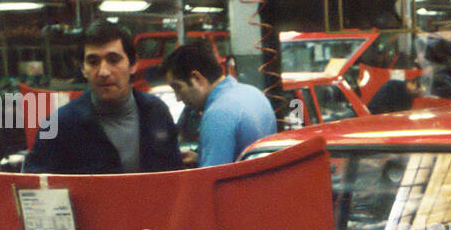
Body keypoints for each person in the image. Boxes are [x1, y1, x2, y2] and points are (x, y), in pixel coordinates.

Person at [24, 21, 181, 174]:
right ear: (83, 70)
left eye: (113, 60)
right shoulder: (58, 126)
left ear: (133, 65)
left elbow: (176, 177)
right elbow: (35, 191)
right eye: (93, 62)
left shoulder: (156, 112)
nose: (103, 72)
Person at [162, 39, 277, 165]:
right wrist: (200, 158)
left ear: (197, 78)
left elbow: (211, 179)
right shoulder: (254, 93)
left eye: (178, 88)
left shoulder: (217, 114)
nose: (178, 98)